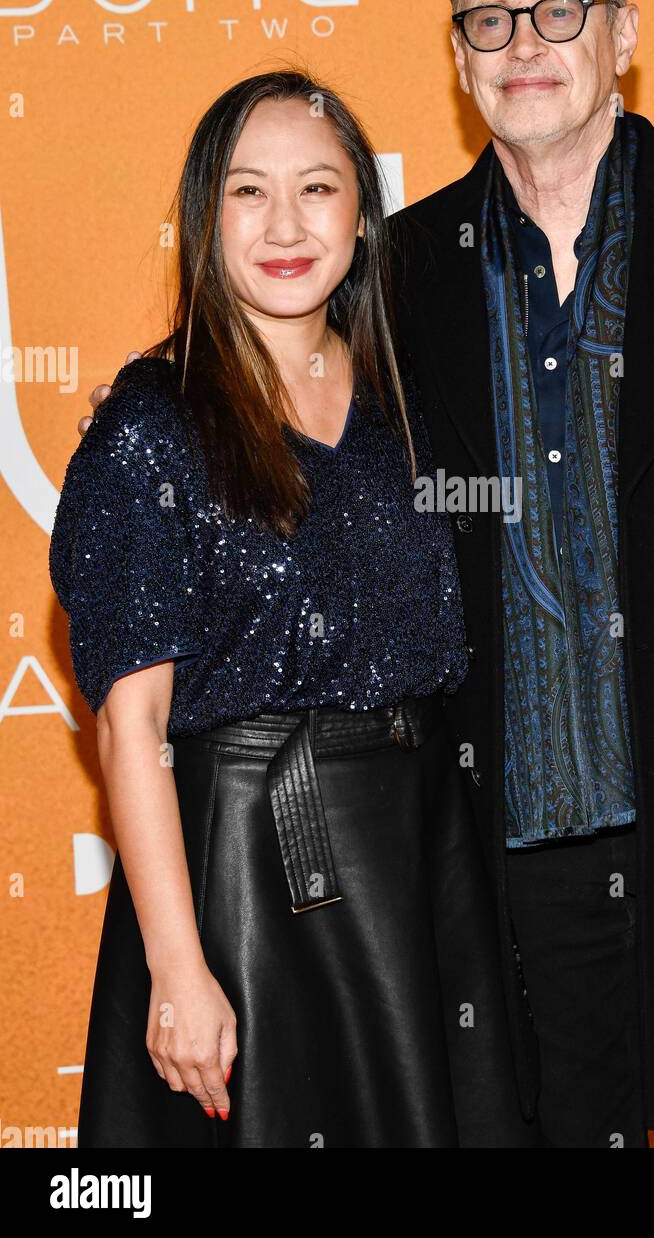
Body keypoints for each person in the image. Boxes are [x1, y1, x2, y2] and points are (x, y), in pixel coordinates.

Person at [81, 0, 654, 1149]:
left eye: (557, 9)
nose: (524, 41)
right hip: (508, 876)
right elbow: (266, 418)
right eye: (489, 18)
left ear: (619, 30)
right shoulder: (397, 274)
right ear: (457, 58)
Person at [52, 68, 534, 1149]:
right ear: (200, 214)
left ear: (363, 218)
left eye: (317, 189)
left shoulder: (408, 401)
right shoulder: (152, 424)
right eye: (246, 191)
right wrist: (177, 966)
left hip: (422, 856)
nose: (283, 224)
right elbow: (132, 728)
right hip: (249, 871)